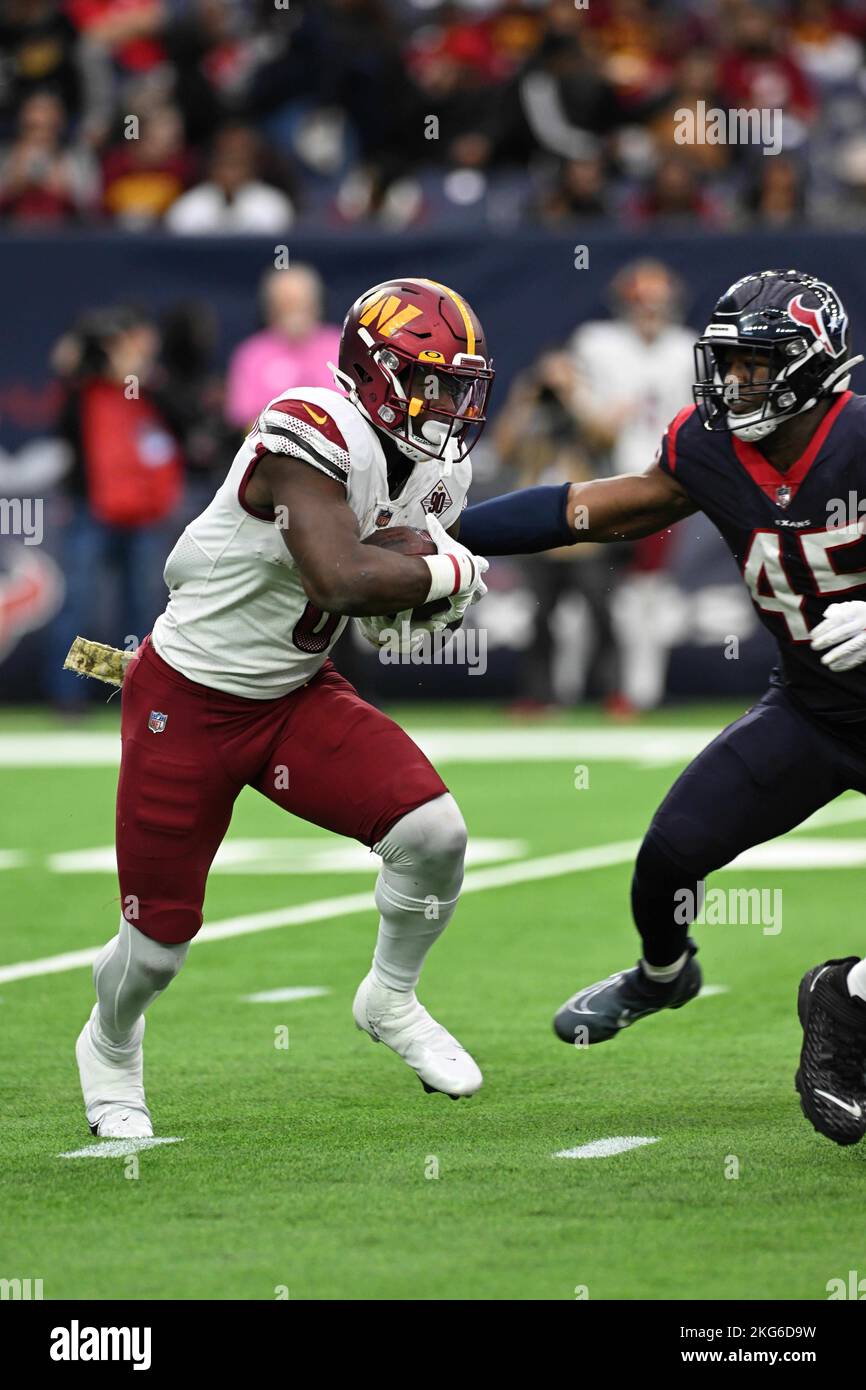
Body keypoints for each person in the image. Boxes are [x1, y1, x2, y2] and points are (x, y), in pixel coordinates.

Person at [75, 277, 493, 1137]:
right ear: (376, 374)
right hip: (187, 700)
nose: (450, 402)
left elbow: (382, 619)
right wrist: (445, 574)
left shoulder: (440, 469)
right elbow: (337, 577)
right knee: (155, 949)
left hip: (294, 694)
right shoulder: (312, 427)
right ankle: (110, 1049)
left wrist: (422, 609)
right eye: (433, 380)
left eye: (461, 383)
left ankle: (391, 998)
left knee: (434, 834)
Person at [459, 269, 866, 1147]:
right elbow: (593, 508)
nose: (733, 385)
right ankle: (662, 973)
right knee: (671, 853)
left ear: (810, 367)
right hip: (813, 711)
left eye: (755, 368)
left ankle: (843, 1006)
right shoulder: (709, 446)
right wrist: (446, 535)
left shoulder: (862, 436)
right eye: (727, 365)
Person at [225, 265, 340, 429]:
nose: (296, 311)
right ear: (270, 308)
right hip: (272, 448)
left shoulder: (341, 346)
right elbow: (241, 419)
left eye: (302, 302)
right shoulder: (251, 354)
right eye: (286, 303)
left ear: (317, 304)